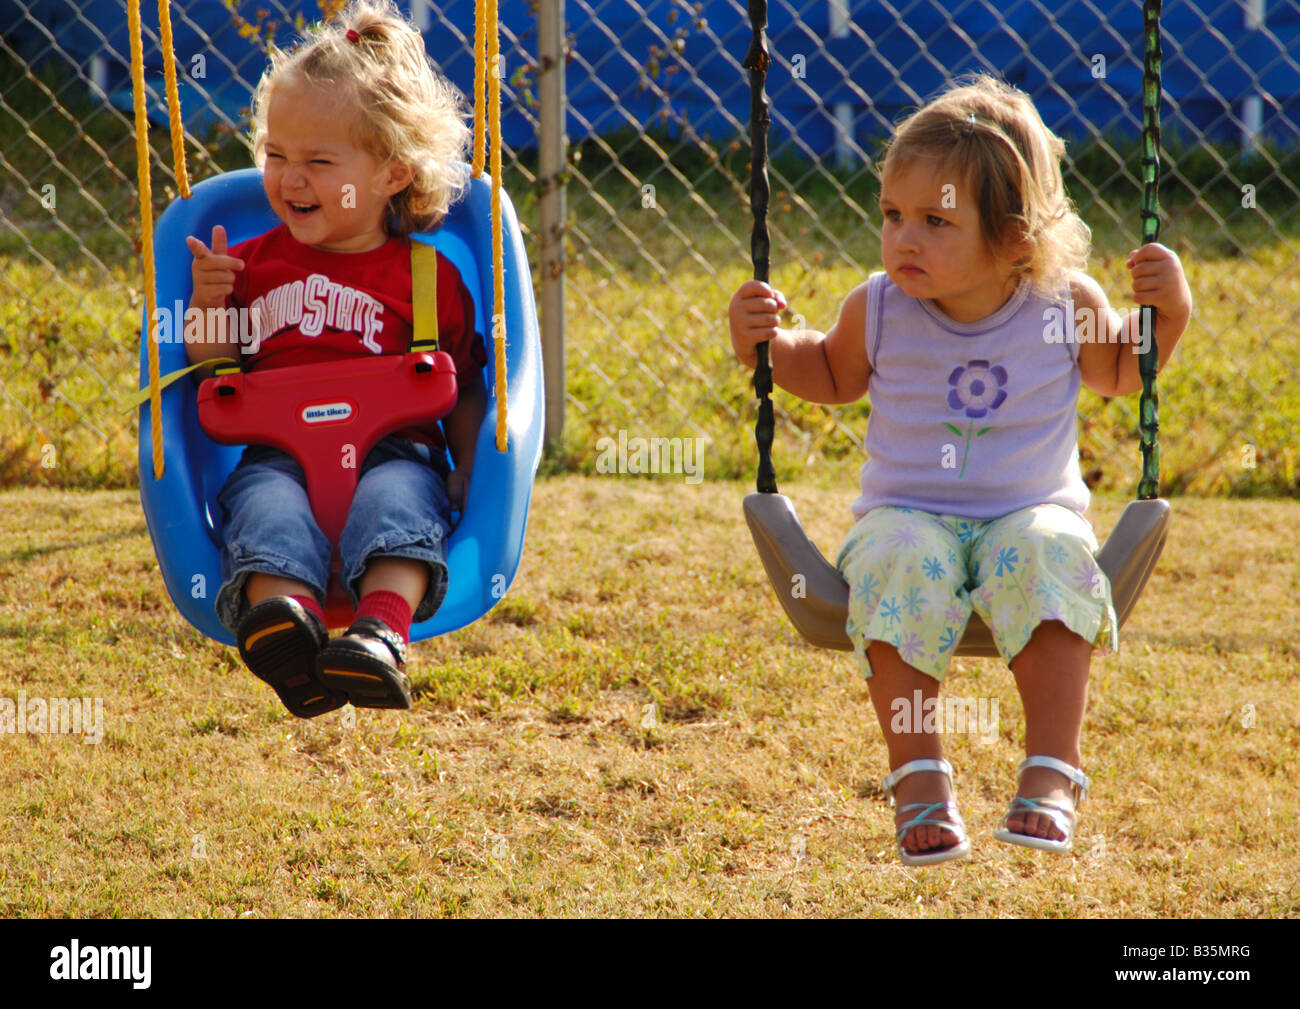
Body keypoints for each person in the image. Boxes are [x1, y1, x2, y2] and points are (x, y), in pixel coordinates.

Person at [728, 74, 1191, 864]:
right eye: (893, 215)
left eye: (935, 221)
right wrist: (764, 345)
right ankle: (918, 775)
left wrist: (1168, 311)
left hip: (1028, 515)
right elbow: (830, 373)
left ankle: (1053, 769)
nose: (904, 239)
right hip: (908, 515)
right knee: (899, 558)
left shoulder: (1066, 304)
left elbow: (1123, 371)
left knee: (1052, 556)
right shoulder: (879, 306)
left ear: (1014, 238)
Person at [184, 0, 487, 718]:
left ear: (392, 173)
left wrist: (471, 465)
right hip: (279, 455)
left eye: (319, 162)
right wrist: (209, 302)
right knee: (265, 510)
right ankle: (285, 633)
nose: (290, 179)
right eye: (276, 156)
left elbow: (467, 385)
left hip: (397, 451)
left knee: (400, 504)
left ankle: (380, 634)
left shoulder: (428, 279)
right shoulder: (248, 266)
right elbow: (212, 370)